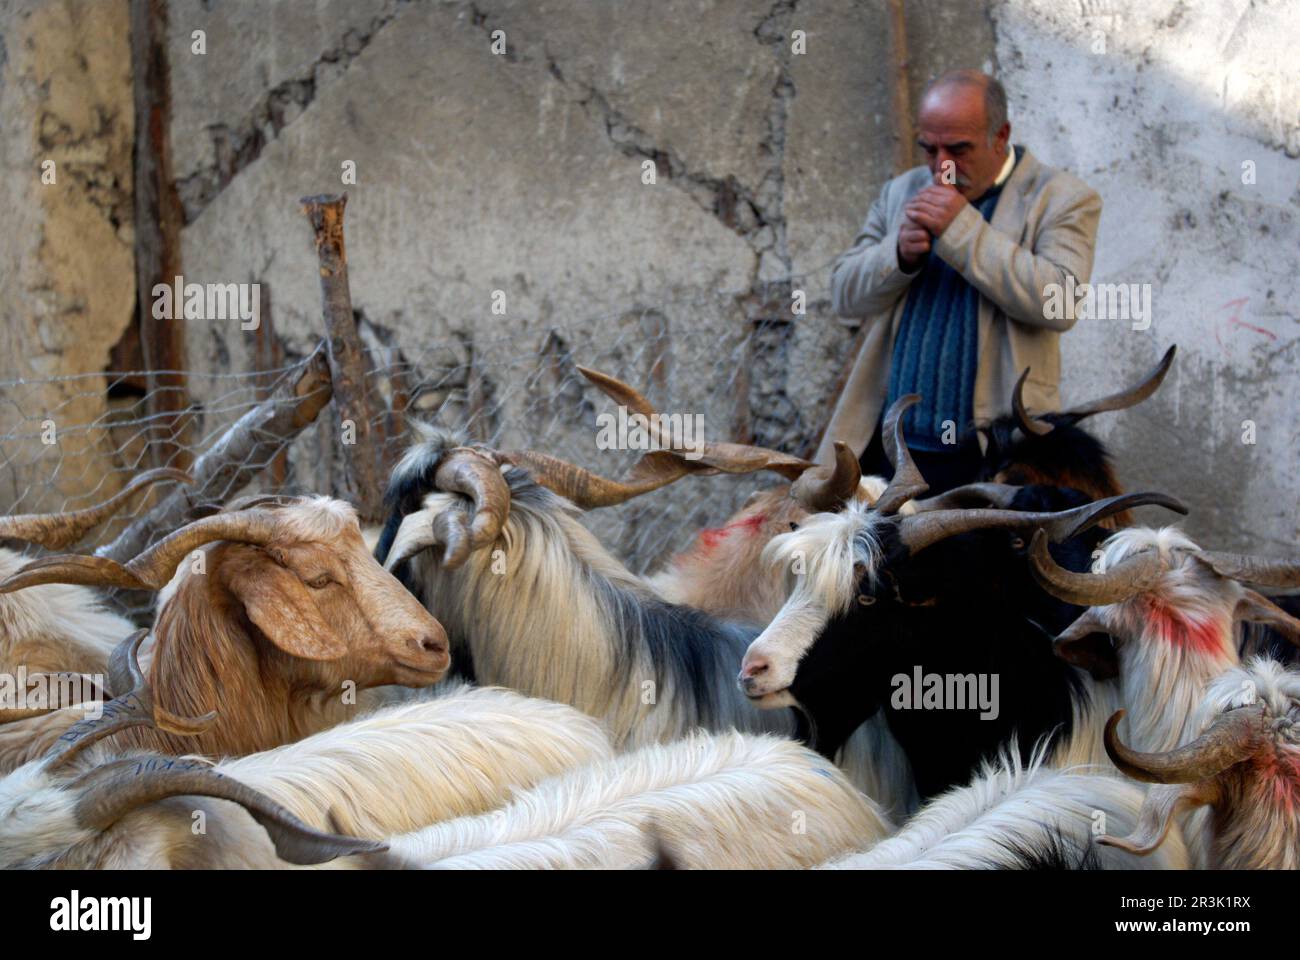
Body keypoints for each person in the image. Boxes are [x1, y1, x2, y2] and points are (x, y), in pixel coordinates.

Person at [817, 70, 1102, 493]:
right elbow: (843, 295)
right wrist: (896, 255)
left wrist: (960, 231)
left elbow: (1060, 303)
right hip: (890, 449)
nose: (942, 167)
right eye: (929, 149)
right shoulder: (901, 192)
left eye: (959, 149)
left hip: (993, 456)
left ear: (1001, 135)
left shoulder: (1061, 198)